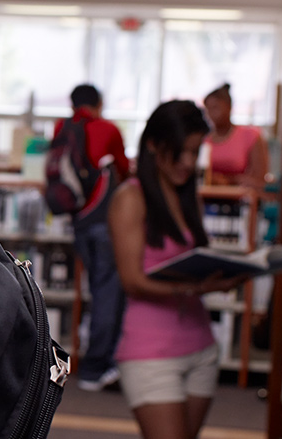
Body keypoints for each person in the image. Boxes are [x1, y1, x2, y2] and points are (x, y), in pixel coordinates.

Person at [108, 100, 242, 439]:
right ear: (153, 144)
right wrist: (193, 290)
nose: (187, 163)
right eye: (179, 152)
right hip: (151, 352)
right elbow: (132, 281)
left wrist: (220, 277)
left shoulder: (188, 197)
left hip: (201, 348)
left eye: (195, 153)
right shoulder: (130, 198)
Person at [53, 84, 129, 391]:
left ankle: (89, 362)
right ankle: (97, 368)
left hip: (78, 220)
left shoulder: (62, 127)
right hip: (105, 220)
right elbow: (124, 168)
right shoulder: (108, 128)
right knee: (108, 292)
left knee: (94, 290)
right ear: (99, 103)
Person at [202, 84, 269, 191]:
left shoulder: (250, 135)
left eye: (215, 107)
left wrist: (229, 181)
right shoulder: (204, 139)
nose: (211, 114)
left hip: (240, 200)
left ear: (229, 107)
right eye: (207, 109)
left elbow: (259, 179)